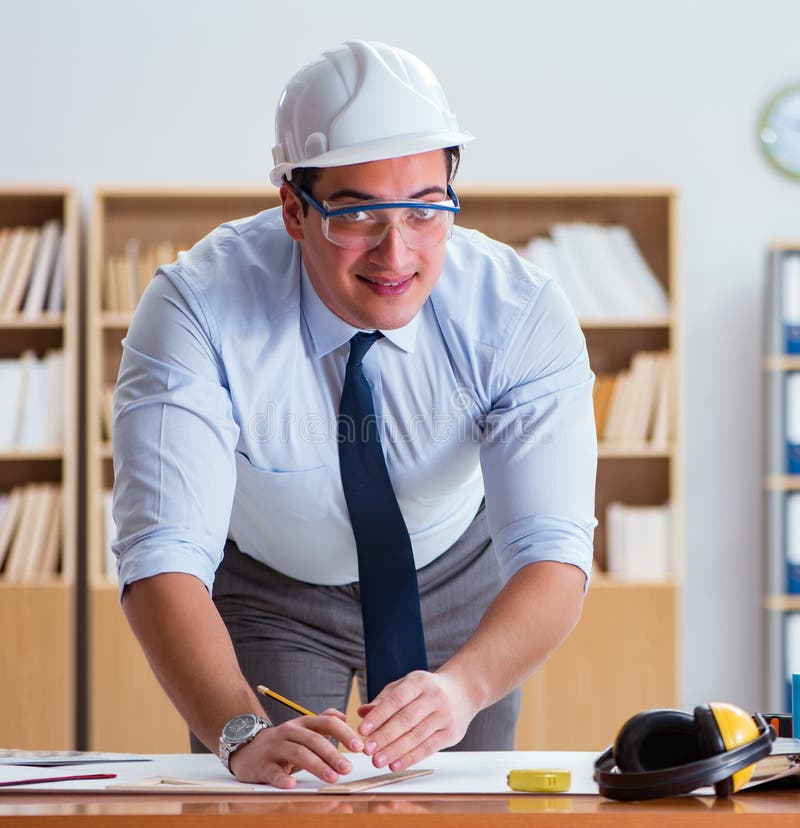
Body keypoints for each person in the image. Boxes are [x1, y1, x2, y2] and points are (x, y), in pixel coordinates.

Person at [113, 40, 596, 789]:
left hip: (455, 575)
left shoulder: (517, 313)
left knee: (458, 804)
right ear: (293, 209)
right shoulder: (196, 308)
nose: (395, 254)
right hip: (273, 587)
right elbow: (163, 553)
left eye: (425, 209)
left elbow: (553, 549)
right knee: (277, 794)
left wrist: (466, 686)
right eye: (357, 212)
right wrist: (238, 732)